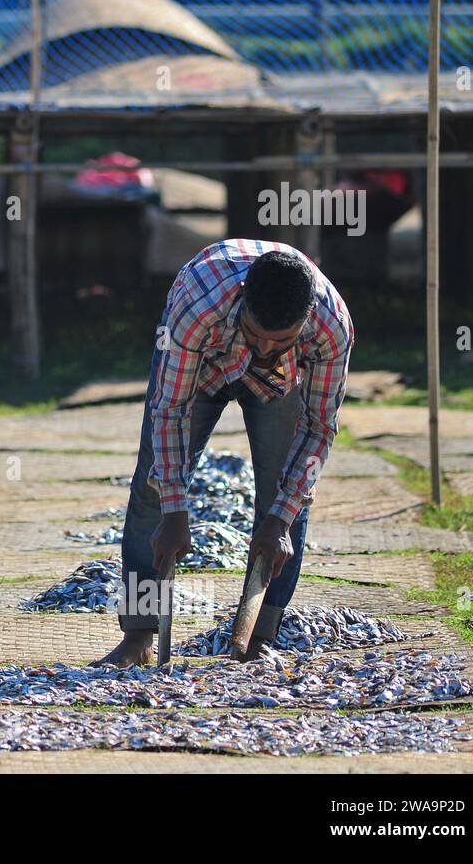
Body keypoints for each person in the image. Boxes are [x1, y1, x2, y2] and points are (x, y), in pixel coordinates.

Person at [95, 239, 354, 666]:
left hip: (280, 387)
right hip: (204, 367)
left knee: (283, 500)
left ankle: (259, 636)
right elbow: (170, 410)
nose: (266, 349)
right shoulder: (198, 304)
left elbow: (318, 428)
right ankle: (140, 635)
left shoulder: (332, 327)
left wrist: (280, 518)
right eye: (256, 335)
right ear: (242, 305)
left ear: (305, 323)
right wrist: (175, 512)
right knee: (152, 492)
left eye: (281, 340)